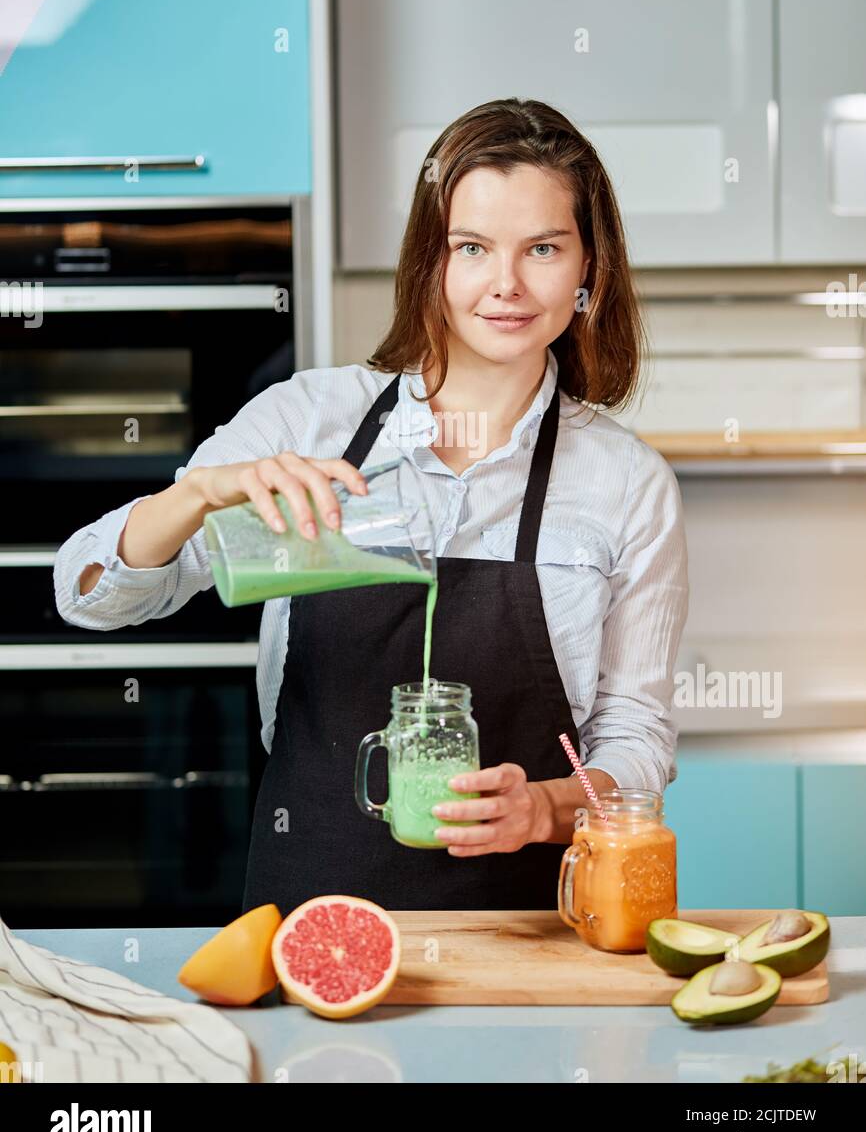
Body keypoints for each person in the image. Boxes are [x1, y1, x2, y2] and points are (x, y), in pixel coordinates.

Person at [54, 97, 689, 914]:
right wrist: (199, 492)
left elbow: (637, 738)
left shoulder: (627, 483)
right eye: (471, 247)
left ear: (588, 267)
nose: (506, 284)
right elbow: (89, 597)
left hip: (528, 929)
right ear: (431, 261)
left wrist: (546, 807)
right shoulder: (307, 421)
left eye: (542, 248)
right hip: (311, 914)